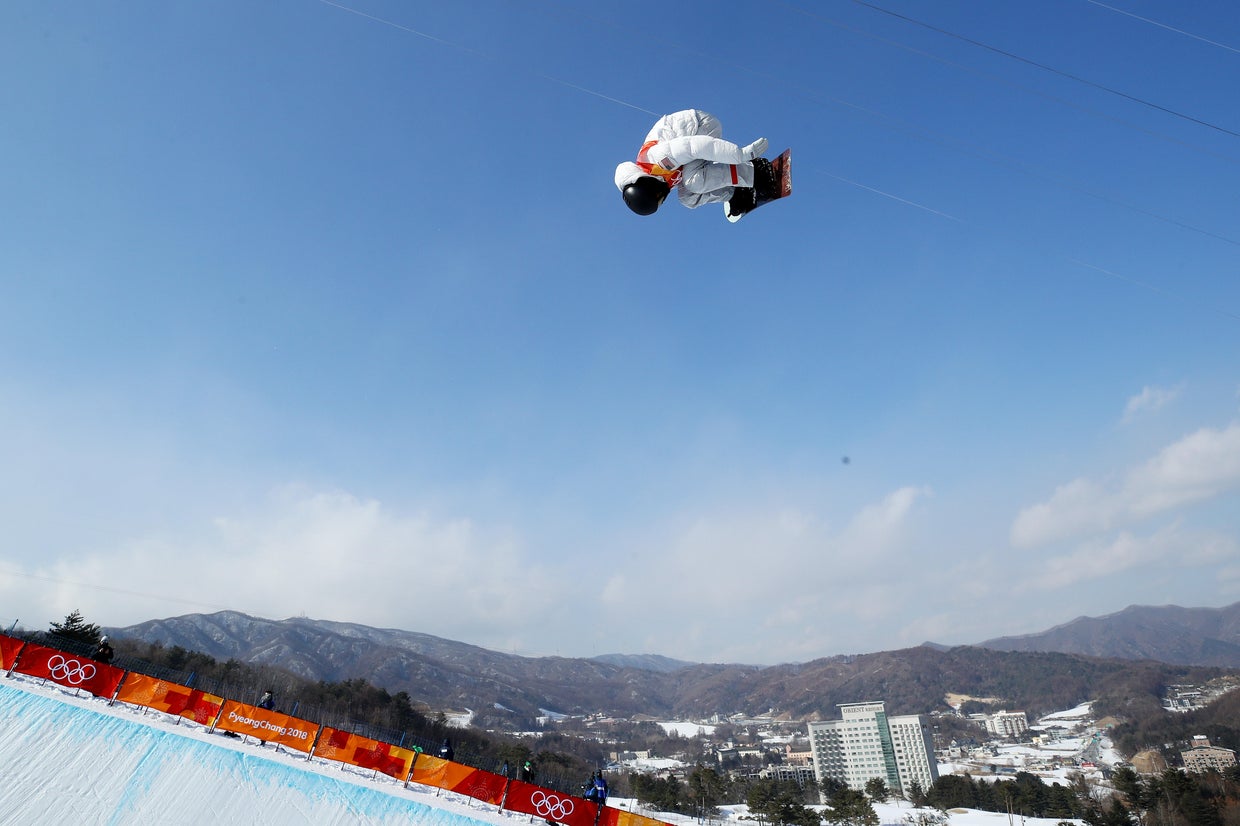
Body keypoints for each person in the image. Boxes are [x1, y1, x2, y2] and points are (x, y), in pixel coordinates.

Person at [614, 109, 776, 220]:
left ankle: (756, 172)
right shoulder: (658, 178)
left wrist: (739, 155)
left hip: (701, 126)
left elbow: (694, 146)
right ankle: (737, 192)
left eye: (658, 198)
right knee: (688, 198)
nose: (663, 198)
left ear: (650, 187)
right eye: (660, 202)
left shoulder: (658, 160)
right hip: (693, 147)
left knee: (694, 182)